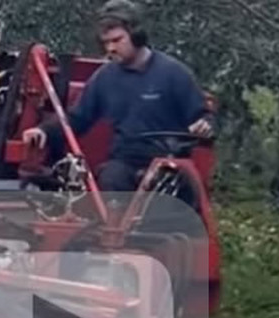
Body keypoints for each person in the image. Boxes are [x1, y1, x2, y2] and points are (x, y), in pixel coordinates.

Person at [22, 0, 215, 193]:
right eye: (106, 43)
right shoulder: (105, 78)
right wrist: (44, 131)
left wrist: (204, 124)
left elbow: (202, 117)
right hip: (125, 162)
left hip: (169, 162)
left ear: (137, 36)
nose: (110, 48)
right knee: (111, 178)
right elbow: (77, 119)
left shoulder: (174, 73)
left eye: (117, 40)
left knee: (181, 190)